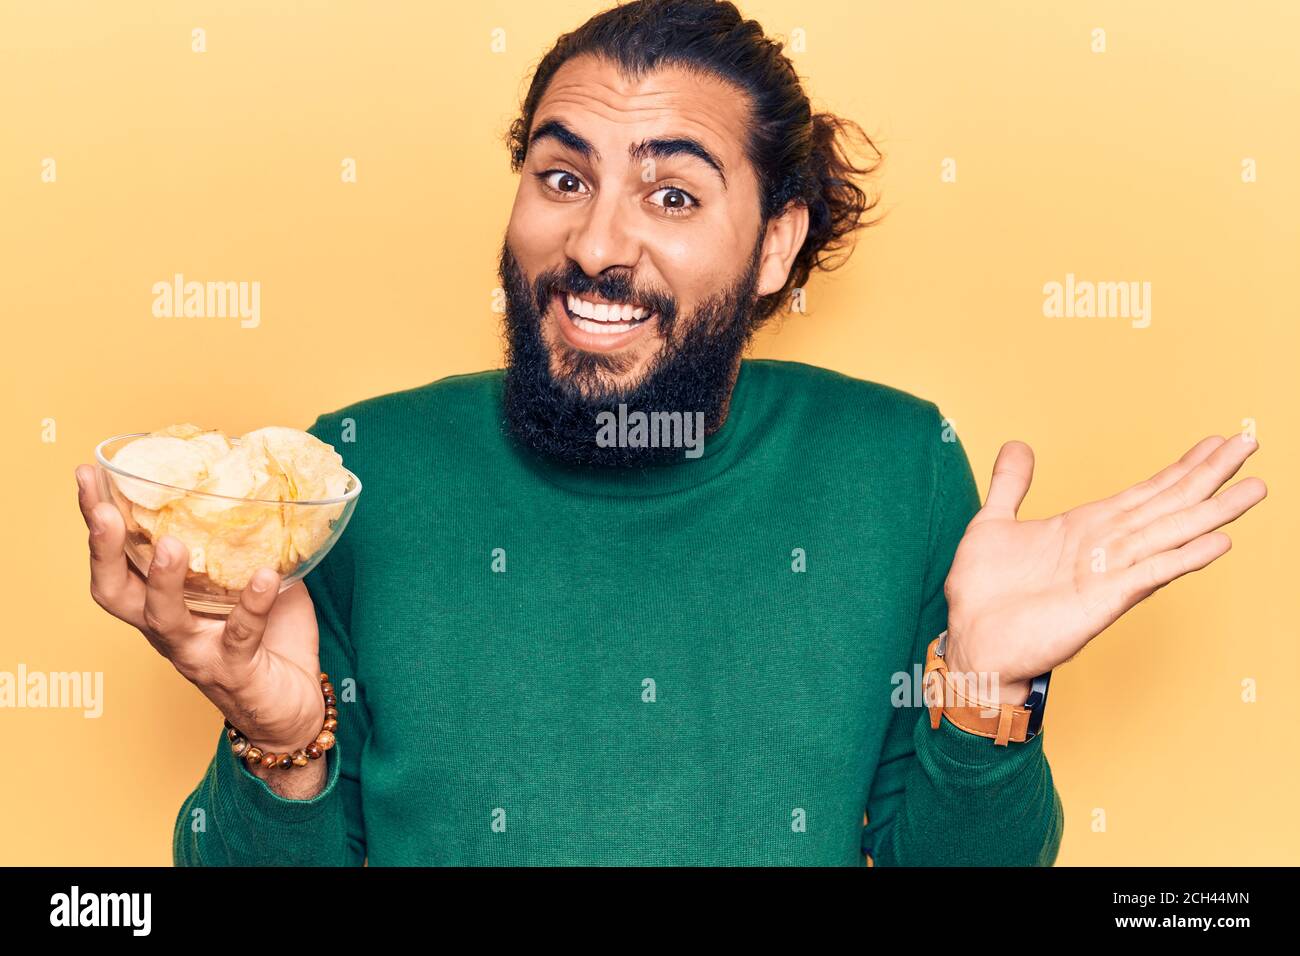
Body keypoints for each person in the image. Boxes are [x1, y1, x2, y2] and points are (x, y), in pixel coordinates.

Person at [74, 0, 1265, 866]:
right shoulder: (354, 470)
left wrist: (983, 689)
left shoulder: (895, 467)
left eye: (675, 194)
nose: (596, 245)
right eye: (559, 175)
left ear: (778, 245)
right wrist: (280, 742)